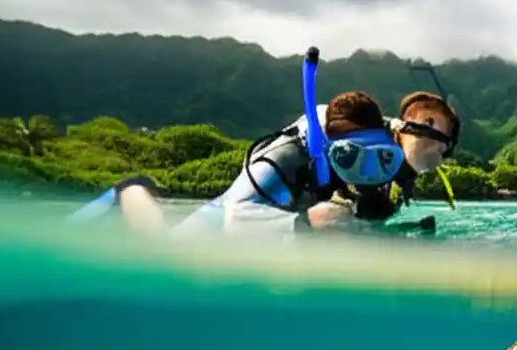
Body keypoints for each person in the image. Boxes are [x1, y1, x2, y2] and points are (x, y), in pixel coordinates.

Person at [70, 87, 460, 240]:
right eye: (347, 155)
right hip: (206, 235)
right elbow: (236, 219)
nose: (365, 168)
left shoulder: (370, 159)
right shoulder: (281, 160)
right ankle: (132, 190)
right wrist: (305, 224)